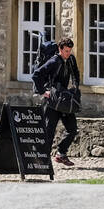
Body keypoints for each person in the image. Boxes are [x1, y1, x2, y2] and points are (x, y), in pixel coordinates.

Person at [32, 37, 81, 171]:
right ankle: (43, 159)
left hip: (64, 100)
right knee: (49, 131)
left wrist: (76, 87)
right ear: (60, 49)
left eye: (70, 51)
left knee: (72, 129)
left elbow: (76, 73)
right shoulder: (53, 61)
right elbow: (36, 75)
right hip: (52, 101)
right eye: (66, 51)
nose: (68, 53)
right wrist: (43, 91)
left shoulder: (71, 59)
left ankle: (61, 153)